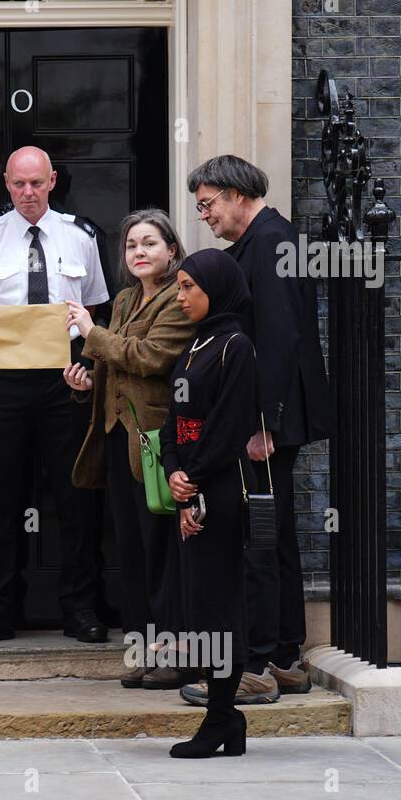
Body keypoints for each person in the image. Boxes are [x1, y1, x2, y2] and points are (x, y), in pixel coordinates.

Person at [0, 146, 110, 645]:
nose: (28, 193)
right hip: (2, 381)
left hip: (66, 377)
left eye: (36, 183)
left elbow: (98, 304)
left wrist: (90, 359)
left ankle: (81, 609)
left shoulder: (81, 236)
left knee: (76, 495)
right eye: (18, 185)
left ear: (53, 180)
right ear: (6, 184)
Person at [187, 155, 332, 703]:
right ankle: (286, 656)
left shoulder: (271, 242)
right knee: (277, 535)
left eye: (207, 204)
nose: (205, 216)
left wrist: (263, 423)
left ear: (233, 193)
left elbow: (279, 337)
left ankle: (255, 669)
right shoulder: (265, 241)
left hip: (265, 423)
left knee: (258, 538)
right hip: (270, 418)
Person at [62, 210, 197, 688]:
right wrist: (82, 381)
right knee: (133, 550)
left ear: (171, 250)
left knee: (163, 548)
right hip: (119, 439)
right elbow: (109, 363)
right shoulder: (121, 300)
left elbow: (151, 358)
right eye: (131, 246)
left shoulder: (177, 299)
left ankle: (177, 653)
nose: (138, 253)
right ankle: (145, 650)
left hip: (159, 442)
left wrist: (90, 332)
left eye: (149, 244)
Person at [159, 249, 258, 757]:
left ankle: (221, 716)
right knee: (198, 605)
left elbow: (227, 427)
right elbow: (171, 421)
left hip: (217, 490)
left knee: (220, 606)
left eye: (186, 288)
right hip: (191, 487)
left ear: (214, 289)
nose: (179, 297)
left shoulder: (235, 346)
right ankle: (225, 720)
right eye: (178, 288)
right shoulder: (195, 345)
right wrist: (173, 471)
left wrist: (191, 480)